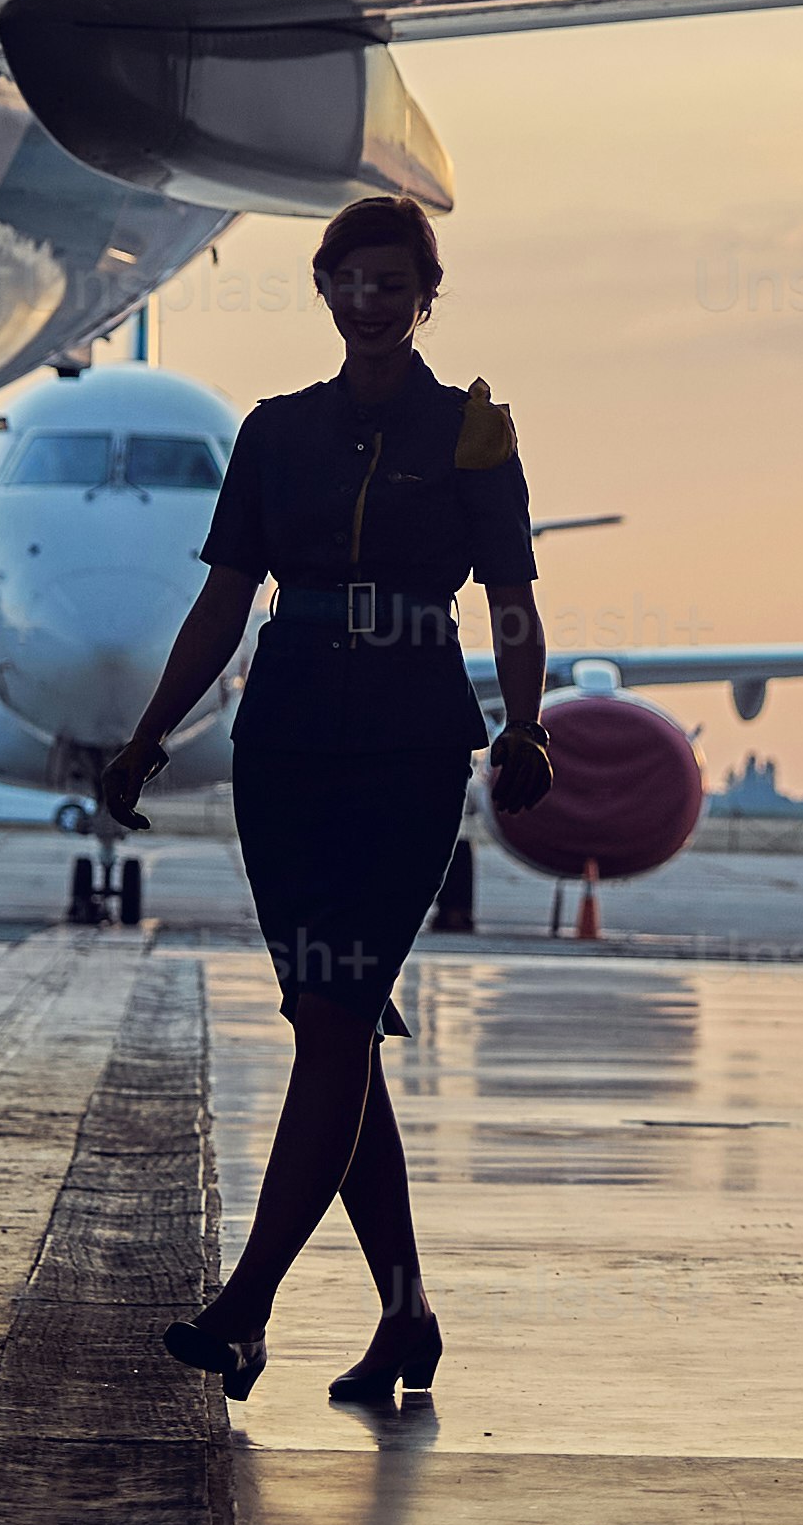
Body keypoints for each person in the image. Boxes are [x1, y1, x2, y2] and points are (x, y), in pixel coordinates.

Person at [100, 195, 558, 1410]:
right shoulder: (273, 434)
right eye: (351, 276)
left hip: (411, 739)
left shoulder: (472, 432)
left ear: (426, 293)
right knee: (330, 1026)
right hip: (287, 739)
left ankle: (247, 1308)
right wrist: (149, 734)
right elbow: (222, 602)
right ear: (326, 288)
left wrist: (526, 722)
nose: (371, 296)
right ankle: (406, 1315)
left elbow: (511, 594)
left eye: (393, 278)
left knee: (338, 1012)